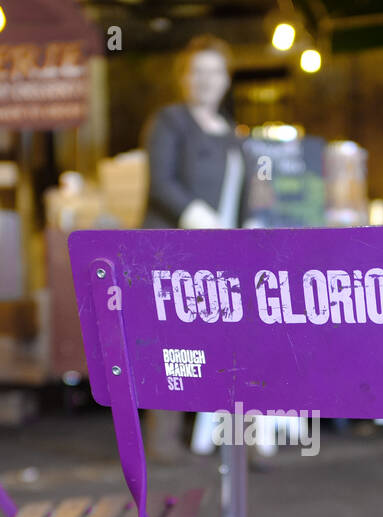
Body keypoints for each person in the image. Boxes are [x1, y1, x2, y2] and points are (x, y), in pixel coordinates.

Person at [141, 35, 246, 461]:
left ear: (226, 80)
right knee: (171, 341)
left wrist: (248, 226)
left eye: (214, 72)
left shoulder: (235, 135)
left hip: (220, 251)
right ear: (184, 78)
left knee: (228, 341)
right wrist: (202, 217)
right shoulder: (168, 122)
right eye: (197, 72)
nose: (205, 81)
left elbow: (245, 193)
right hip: (170, 248)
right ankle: (163, 440)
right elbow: (162, 183)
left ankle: (239, 438)